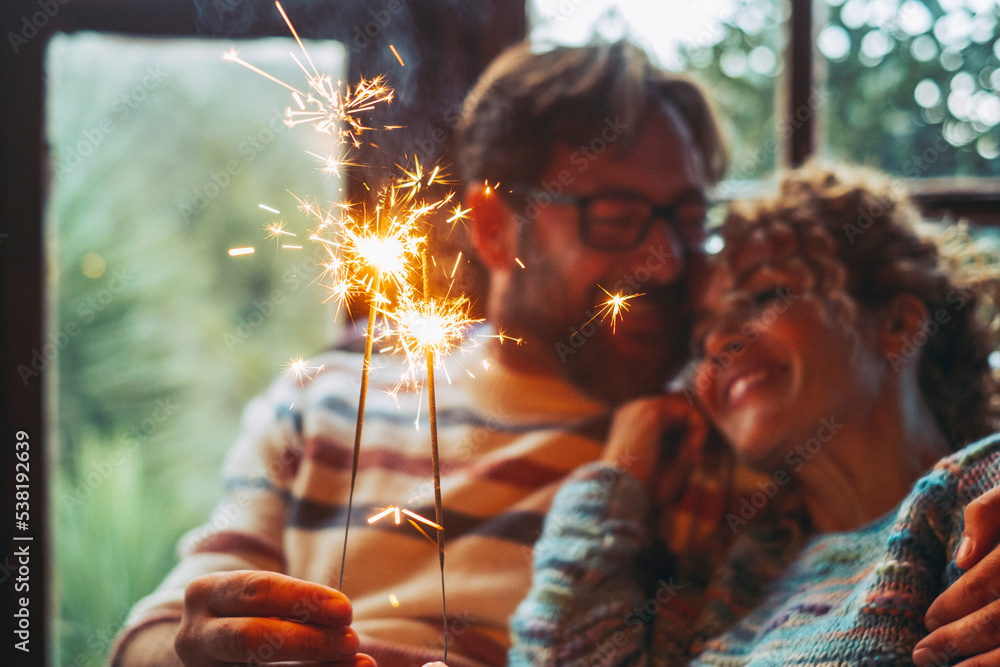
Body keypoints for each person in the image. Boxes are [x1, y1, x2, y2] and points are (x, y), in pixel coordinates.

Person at [110, 41, 1000, 667]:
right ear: (496, 225)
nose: (665, 261)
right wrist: (206, 643)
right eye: (617, 217)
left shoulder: (712, 445)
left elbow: (897, 504)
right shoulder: (323, 395)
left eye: (688, 218)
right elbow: (156, 631)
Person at [508, 162, 1000, 666]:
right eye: (701, 339)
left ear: (898, 325)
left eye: (766, 295)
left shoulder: (983, 500)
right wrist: (615, 484)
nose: (718, 341)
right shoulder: (725, 586)